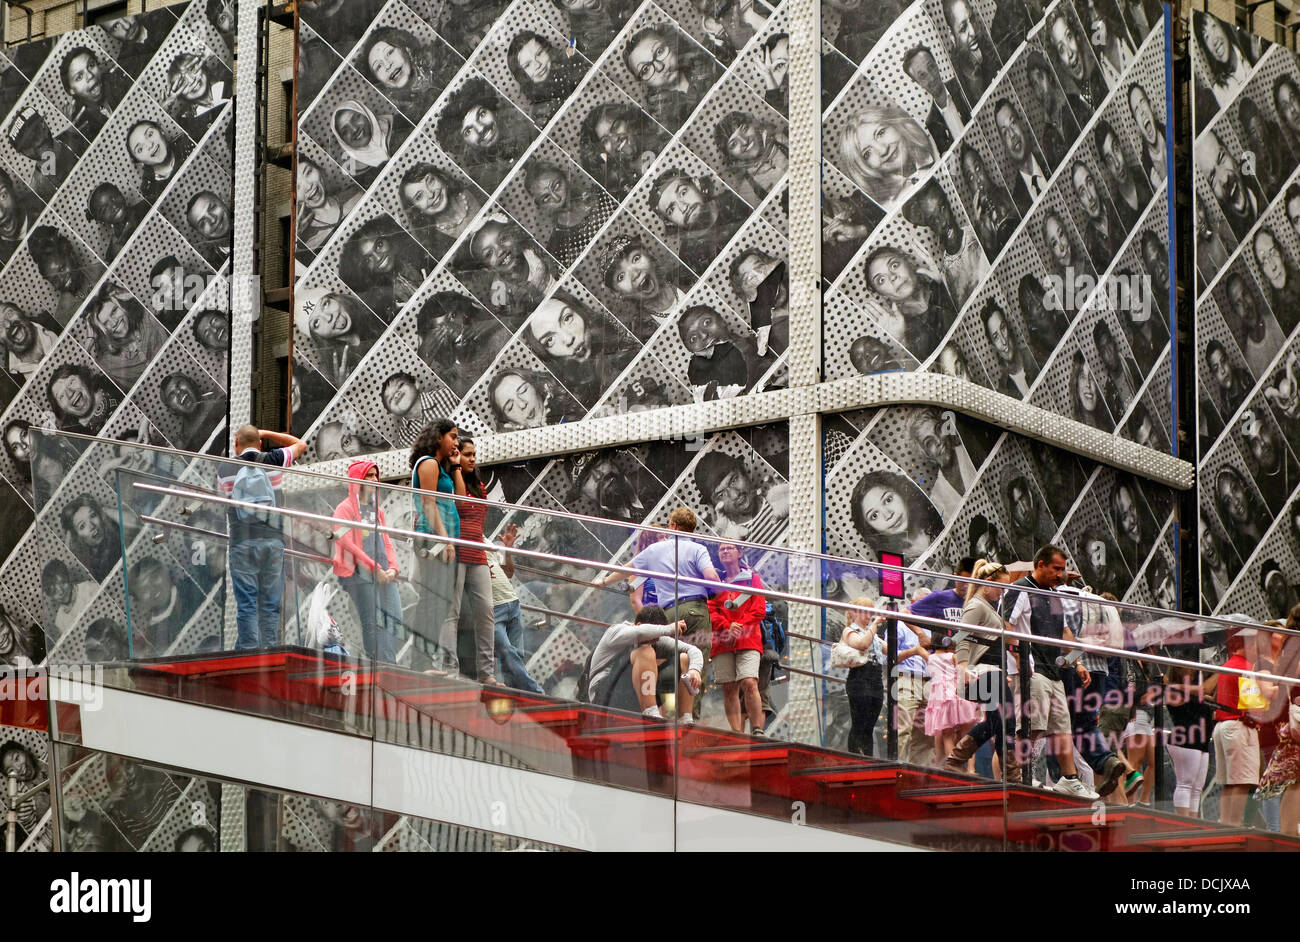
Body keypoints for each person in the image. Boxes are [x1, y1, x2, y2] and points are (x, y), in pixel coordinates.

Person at [596, 506, 720, 718]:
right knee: (693, 662)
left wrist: (604, 580)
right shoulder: (698, 549)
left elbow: (628, 569)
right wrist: (716, 591)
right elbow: (711, 578)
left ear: (673, 526)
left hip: (669, 615)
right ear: (692, 529)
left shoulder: (655, 550)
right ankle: (689, 716)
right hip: (697, 610)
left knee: (659, 660)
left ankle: (660, 710)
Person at [1000, 544, 1100, 798]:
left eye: (1063, 569)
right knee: (1032, 727)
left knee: (1061, 729)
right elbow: (1005, 624)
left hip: (1056, 671)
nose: (1061, 574)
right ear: (1040, 565)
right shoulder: (1020, 588)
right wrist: (1019, 655)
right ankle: (1023, 774)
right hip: (1033, 669)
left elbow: (1065, 632)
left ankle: (1069, 779)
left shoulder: (1055, 594)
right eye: (1056, 568)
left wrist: (1077, 662)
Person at [216, 424, 307, 650]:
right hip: (273, 541)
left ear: (236, 444)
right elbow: (301, 444)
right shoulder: (274, 459)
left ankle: (248, 651)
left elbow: (222, 503)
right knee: (270, 603)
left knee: (246, 603)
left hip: (241, 542)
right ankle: (268, 651)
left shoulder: (224, 468)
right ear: (259, 443)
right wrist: (266, 434)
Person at [945, 559, 1020, 781]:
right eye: (1000, 586)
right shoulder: (977, 605)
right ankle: (1011, 773)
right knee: (1005, 719)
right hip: (984, 671)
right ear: (987, 582)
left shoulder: (984, 606)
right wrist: (962, 669)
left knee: (996, 721)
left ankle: (957, 759)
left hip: (992, 671)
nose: (1002, 592)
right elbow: (962, 638)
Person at [440, 436, 497, 683]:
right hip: (457, 552)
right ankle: (450, 669)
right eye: (467, 454)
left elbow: (478, 522)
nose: (472, 459)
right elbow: (460, 503)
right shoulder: (450, 482)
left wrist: (490, 560)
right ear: (455, 456)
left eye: (474, 454)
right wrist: (455, 468)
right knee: (451, 611)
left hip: (477, 554)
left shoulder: (480, 485)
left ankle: (487, 673)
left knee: (486, 611)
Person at [332, 460, 401, 662]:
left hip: (384, 572)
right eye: (368, 476)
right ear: (357, 480)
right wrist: (374, 568)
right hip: (360, 574)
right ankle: (377, 665)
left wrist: (394, 568)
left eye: (375, 475)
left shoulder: (377, 510)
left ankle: (388, 662)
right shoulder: (344, 509)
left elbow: (387, 542)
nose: (374, 479)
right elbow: (345, 542)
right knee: (372, 621)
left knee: (395, 617)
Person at [584, 605, 703, 720]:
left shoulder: (656, 638)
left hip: (632, 694)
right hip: (605, 696)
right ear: (639, 625)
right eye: (654, 634)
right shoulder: (616, 631)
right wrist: (669, 629)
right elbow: (640, 632)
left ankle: (685, 719)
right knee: (646, 651)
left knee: (684, 659)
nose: (655, 640)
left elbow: (693, 650)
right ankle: (650, 712)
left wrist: (695, 670)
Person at [524, 292, 636, 408]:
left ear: (581, 313)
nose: (568, 339)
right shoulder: (575, 400)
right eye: (550, 340)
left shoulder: (628, 341)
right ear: (546, 354)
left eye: (567, 318)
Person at [410, 419, 462, 671]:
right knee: (432, 601)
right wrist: (445, 539)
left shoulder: (440, 467)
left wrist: (455, 467)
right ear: (438, 437)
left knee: (440, 602)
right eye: (452, 436)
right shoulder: (429, 463)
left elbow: (458, 500)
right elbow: (429, 503)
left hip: (443, 540)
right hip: (433, 539)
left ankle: (425, 659)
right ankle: (420, 661)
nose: (456, 442)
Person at [1214, 624, 1277, 825]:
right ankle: (1233, 823)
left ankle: (1225, 821)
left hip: (1223, 726)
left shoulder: (1227, 665)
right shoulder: (1246, 669)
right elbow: (1256, 702)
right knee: (1242, 781)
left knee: (1228, 781)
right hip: (1239, 727)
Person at [707, 542, 767, 735]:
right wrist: (727, 626)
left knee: (750, 682)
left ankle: (757, 729)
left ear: (740, 552)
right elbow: (709, 609)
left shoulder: (751, 579)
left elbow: (759, 609)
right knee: (729, 688)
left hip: (748, 639)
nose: (724, 551)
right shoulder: (716, 581)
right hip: (722, 640)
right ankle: (736, 733)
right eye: (721, 549)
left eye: (729, 548)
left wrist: (738, 626)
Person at [454, 218, 556, 327]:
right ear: (486, 268)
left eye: (503, 239)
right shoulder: (499, 292)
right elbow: (512, 323)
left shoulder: (532, 251)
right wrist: (518, 313)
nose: (500, 250)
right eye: (489, 253)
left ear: (513, 237)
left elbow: (554, 266)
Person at [435, 78, 534, 190]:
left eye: (481, 115)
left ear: (492, 110)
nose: (481, 128)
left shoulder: (529, 129)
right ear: (462, 143)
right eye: (468, 131)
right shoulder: (486, 182)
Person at [862, 244, 956, 359]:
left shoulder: (938, 285)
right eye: (881, 280)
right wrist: (901, 340)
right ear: (882, 294)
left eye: (894, 265)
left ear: (909, 262)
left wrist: (947, 282)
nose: (892, 277)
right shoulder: (905, 329)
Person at [901, 179, 985, 309]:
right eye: (933, 219)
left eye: (942, 208)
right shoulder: (945, 272)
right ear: (926, 224)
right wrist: (941, 283)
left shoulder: (977, 234)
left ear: (947, 201)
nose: (943, 222)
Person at [835, 103, 936, 210]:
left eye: (881, 133)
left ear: (896, 124)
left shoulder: (936, 147)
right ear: (863, 168)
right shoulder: (888, 207)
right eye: (867, 154)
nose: (883, 150)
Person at [649, 168, 748, 276]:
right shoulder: (689, 256)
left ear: (696, 184)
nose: (683, 207)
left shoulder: (736, 202)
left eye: (683, 192)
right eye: (671, 209)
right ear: (669, 222)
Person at [622, 23, 719, 131]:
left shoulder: (702, 62)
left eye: (659, 52)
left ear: (670, 44)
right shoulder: (662, 116)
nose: (659, 67)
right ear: (641, 81)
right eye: (646, 69)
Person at [1255, 609, 1300, 835]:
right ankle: (1285, 832)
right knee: (1293, 782)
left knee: (1293, 782)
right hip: (1289, 723)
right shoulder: (1292, 647)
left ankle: (1286, 832)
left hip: (1285, 722)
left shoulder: (1286, 648)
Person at [524, 160, 617, 269]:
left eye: (557, 186)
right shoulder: (557, 248)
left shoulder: (602, 195)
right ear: (540, 205)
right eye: (546, 198)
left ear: (566, 178)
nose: (557, 198)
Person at [485, 523, 543, 692]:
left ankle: (516, 697)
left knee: (515, 656)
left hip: (511, 601)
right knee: (507, 652)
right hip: (492, 607)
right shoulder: (463, 539)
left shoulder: (485, 541)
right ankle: (536, 692)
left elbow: (508, 572)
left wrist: (507, 550)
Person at [599, 235, 688, 339]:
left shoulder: (687, 275)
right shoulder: (641, 332)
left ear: (649, 255)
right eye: (621, 276)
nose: (635, 274)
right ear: (618, 293)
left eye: (636, 258)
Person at [692, 449, 789, 544]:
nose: (735, 495)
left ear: (744, 469)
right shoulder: (729, 539)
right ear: (712, 505)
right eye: (721, 494)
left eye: (733, 481)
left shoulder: (782, 497)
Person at [359, 27, 455, 122]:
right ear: (379, 82)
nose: (387, 65)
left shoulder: (446, 59)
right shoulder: (406, 120)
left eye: (389, 53)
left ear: (405, 49)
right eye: (378, 66)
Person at [677, 304, 767, 401]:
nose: (703, 335)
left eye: (706, 322)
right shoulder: (708, 390)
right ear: (691, 350)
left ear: (722, 320)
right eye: (693, 338)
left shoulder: (761, 341)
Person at [84, 282, 165, 391]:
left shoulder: (148, 318)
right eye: (105, 323)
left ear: (122, 306)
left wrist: (129, 294)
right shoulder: (108, 364)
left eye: (114, 311)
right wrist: (89, 341)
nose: (114, 323)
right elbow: (83, 379)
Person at [578, 101, 667, 199]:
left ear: (629, 121)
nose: (615, 139)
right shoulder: (624, 190)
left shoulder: (664, 141)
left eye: (615, 127)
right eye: (605, 140)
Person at [394, 162, 480, 260]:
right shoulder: (437, 247)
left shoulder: (480, 187)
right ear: (416, 210)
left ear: (441, 177)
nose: (431, 194)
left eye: (430, 181)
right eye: (419, 196)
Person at [906, 405, 976, 521]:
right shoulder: (936, 497)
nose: (938, 441)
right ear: (925, 453)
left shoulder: (970, 448)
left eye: (938, 429)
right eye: (929, 442)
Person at [901, 43, 968, 155]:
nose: (931, 78)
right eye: (922, 75)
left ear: (937, 65)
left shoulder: (962, 86)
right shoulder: (931, 123)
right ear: (918, 83)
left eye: (931, 67)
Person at [1196, 130, 1263, 242]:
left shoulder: (1264, 186)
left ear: (1231, 155)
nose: (1224, 178)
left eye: (1221, 158)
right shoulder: (1231, 238)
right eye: (1212, 177)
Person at [6, 105, 81, 202]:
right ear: (22, 153)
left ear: (44, 123)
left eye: (37, 130)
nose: (37, 142)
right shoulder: (37, 191)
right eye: (28, 142)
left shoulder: (76, 135)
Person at [506, 31, 585, 123]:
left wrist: (573, 41)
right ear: (522, 74)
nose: (538, 65)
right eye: (527, 65)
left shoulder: (567, 62)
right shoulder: (540, 112)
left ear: (548, 50)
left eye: (539, 53)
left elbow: (573, 42)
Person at [841, 598, 886, 755]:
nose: (869, 616)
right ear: (854, 613)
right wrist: (874, 625)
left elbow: (890, 649)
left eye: (871, 612)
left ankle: (868, 757)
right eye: (865, 611)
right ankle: (854, 756)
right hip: (859, 679)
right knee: (859, 721)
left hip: (876, 680)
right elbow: (862, 644)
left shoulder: (872, 635)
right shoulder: (850, 631)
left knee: (870, 724)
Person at [957, 142, 1018, 258]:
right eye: (971, 177)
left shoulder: (1008, 193)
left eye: (978, 168)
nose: (978, 181)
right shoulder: (977, 231)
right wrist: (982, 231)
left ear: (985, 168)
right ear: (969, 187)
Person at [1045, 8, 1107, 119]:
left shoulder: (1102, 69)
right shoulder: (1069, 108)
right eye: (1061, 49)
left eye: (1069, 37)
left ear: (1077, 36)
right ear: (1059, 60)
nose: (1070, 53)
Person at [712, 110, 788, 200]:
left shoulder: (782, 139)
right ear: (730, 156)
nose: (744, 141)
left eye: (744, 129)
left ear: (753, 125)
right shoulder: (746, 189)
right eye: (734, 144)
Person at [1193, 11, 1253, 123]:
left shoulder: (1250, 49)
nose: (1214, 40)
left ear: (1223, 25)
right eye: (1206, 37)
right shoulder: (1220, 91)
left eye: (1214, 26)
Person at [29, 225, 96, 323]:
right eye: (54, 279)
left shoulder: (101, 271)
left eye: (62, 268)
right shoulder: (62, 318)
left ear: (72, 256)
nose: (62, 279)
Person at [994, 98, 1048, 215]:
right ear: (1004, 145)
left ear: (1022, 124)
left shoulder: (1051, 161)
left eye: (1013, 123)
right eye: (1005, 132)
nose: (1012, 135)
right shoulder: (1017, 203)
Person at [941, 0, 999, 107]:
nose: (972, 31)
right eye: (963, 28)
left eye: (972, 20)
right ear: (952, 36)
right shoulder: (955, 92)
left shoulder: (993, 56)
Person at [298, 158, 362, 254]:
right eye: (297, 187)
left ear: (318, 169)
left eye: (308, 172)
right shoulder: (307, 243)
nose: (308, 186)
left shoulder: (355, 194)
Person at [162, 51, 230, 139]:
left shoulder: (228, 81)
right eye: (182, 82)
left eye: (192, 69)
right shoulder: (190, 124)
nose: (191, 80)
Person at [331, 98, 397, 186]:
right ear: (342, 141)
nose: (354, 129)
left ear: (366, 113)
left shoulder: (399, 126)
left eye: (356, 118)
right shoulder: (359, 175)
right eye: (345, 131)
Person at [487, 367, 577, 430]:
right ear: (509, 422)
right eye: (510, 407)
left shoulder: (573, 406)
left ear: (536, 387)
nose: (522, 404)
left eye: (523, 390)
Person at [126, 119, 193, 204]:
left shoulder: (187, 144)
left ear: (161, 131)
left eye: (150, 134)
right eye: (140, 149)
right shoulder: (150, 190)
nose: (150, 145)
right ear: (139, 162)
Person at [59, 493, 121, 583]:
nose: (92, 526)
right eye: (82, 526)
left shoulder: (117, 534)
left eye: (92, 515)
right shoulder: (87, 567)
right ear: (77, 536)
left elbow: (133, 521)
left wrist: (102, 510)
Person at [46, 363, 120, 435]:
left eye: (71, 382)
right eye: (61, 396)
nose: (70, 393)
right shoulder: (76, 436)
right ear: (61, 409)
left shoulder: (112, 381)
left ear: (82, 377)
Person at [981, 299, 1033, 398]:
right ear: (993, 346)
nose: (1004, 341)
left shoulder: (1032, 355)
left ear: (1009, 327)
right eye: (996, 337)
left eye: (1003, 328)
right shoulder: (1003, 390)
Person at [1253, 227, 1300, 336]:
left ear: (1282, 254)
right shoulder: (1275, 319)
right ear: (1262, 272)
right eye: (1264, 260)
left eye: (1273, 252)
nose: (1273, 266)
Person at [84, 182, 147, 261]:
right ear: (100, 221)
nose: (113, 206)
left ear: (120, 192)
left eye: (114, 197)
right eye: (105, 209)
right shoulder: (113, 251)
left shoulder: (146, 206)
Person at [41, 558, 97, 637]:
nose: (60, 591)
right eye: (54, 590)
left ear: (69, 578)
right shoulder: (60, 621)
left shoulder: (89, 589)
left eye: (63, 583)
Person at [0, 302, 56, 381]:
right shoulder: (12, 378)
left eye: (9, 314)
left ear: (20, 311)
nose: (8, 325)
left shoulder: (55, 319)